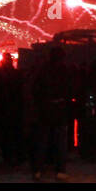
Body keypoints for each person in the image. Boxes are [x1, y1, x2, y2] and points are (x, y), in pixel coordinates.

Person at [30, 47, 72, 181]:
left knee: (42, 141)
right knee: (59, 142)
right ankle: (60, 170)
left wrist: (42, 102)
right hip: (58, 110)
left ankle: (38, 169)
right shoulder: (64, 70)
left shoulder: (43, 70)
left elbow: (35, 89)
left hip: (45, 110)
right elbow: (69, 89)